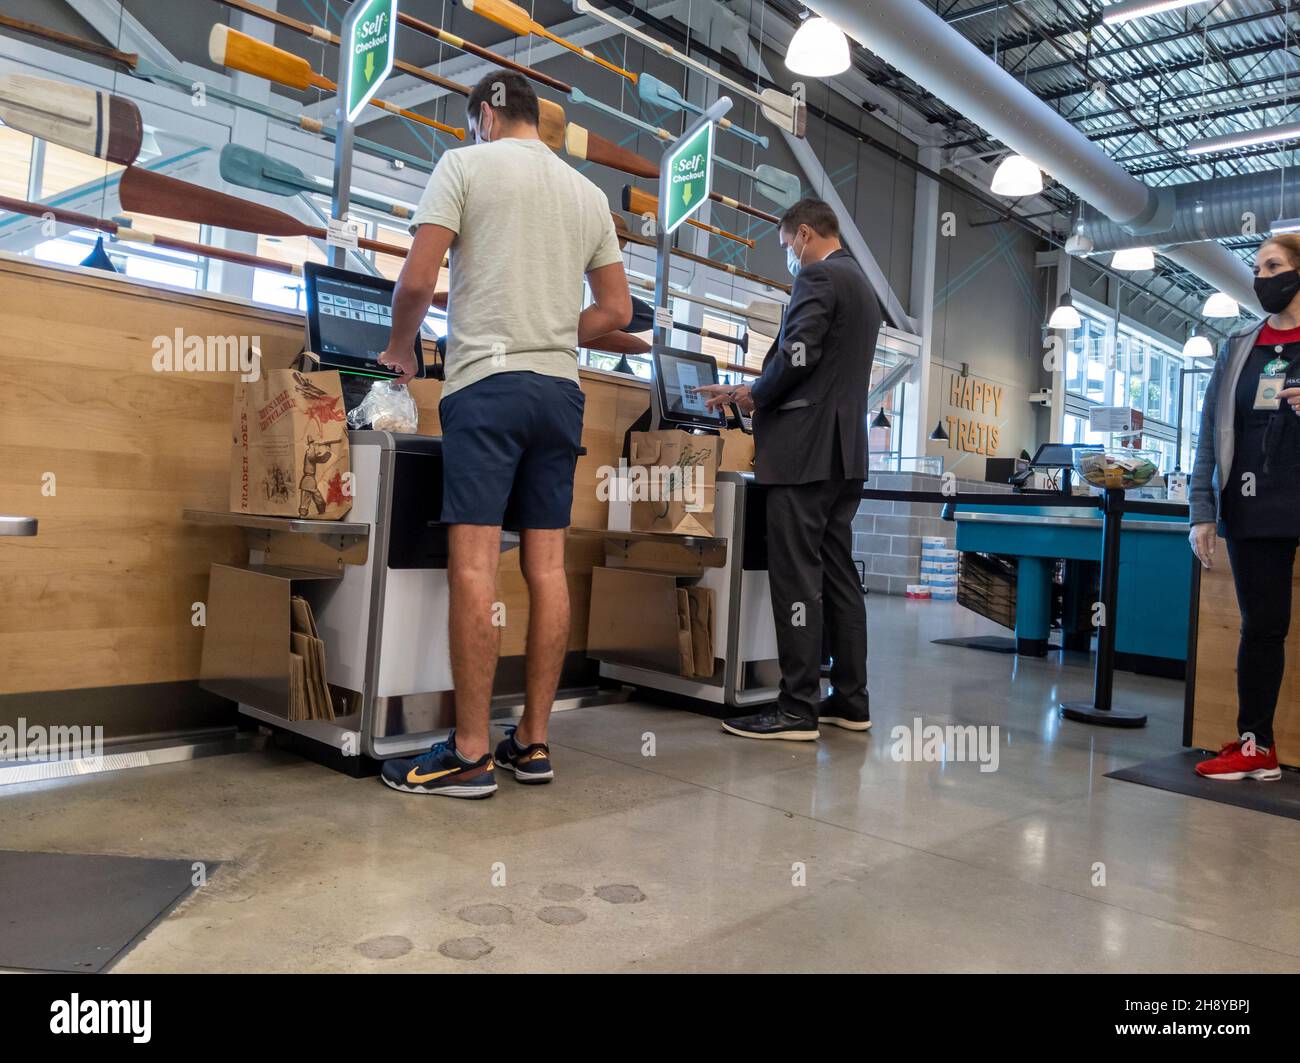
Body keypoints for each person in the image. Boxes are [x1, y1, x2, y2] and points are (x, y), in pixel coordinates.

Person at [375, 71, 631, 798]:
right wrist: (552, 332)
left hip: (486, 385)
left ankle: (470, 751)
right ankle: (536, 743)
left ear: (485, 114)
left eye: (472, 121)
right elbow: (616, 309)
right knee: (545, 567)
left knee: (476, 565)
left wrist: (401, 346)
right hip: (560, 394)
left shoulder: (463, 165)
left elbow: (418, 281)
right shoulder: (585, 194)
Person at [697, 198, 881, 740]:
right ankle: (850, 700)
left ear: (804, 234)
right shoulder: (864, 288)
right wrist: (755, 390)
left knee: (797, 576)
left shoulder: (820, 277)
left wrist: (754, 395)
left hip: (804, 453)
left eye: (786, 248)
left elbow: (801, 353)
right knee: (839, 575)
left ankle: (797, 708)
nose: (790, 260)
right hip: (844, 453)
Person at [1189, 233, 1300, 781]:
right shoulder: (1238, 346)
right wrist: (1201, 509)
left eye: (1273, 266)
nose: (1261, 277)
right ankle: (1258, 743)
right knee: (1263, 626)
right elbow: (1209, 433)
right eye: (1257, 267)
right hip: (1252, 503)